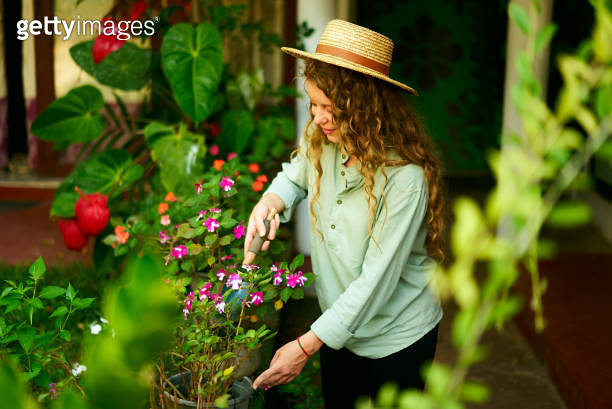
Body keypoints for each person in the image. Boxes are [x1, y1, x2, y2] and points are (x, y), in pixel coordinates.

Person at [244, 19, 447, 408]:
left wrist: (303, 347)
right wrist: (271, 202)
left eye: (328, 106)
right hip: (337, 328)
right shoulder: (325, 140)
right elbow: (295, 176)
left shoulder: (405, 177)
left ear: (365, 105)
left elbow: (375, 284)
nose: (317, 118)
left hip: (397, 339)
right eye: (313, 104)